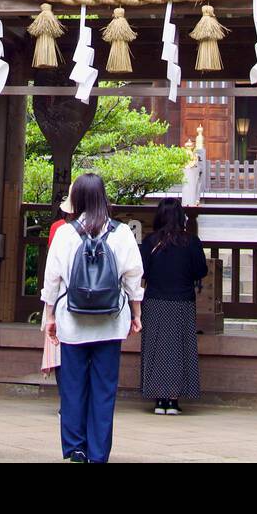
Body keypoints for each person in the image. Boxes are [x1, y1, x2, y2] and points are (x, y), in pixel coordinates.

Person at [41, 173, 143, 463]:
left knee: (72, 389)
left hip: (72, 323)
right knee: (104, 391)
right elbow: (134, 278)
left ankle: (75, 449)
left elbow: (53, 280)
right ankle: (98, 454)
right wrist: (136, 314)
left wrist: (49, 316)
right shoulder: (121, 233)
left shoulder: (64, 233)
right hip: (110, 323)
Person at [139, 197, 208, 415]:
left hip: (155, 301)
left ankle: (159, 399)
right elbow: (201, 270)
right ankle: (174, 399)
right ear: (181, 217)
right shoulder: (191, 242)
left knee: (156, 348)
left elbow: (142, 271)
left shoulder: (150, 242)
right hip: (182, 302)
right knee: (179, 349)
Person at [40, 192, 74, 379]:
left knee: (60, 347)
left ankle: (66, 402)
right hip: (99, 304)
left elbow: (53, 269)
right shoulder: (110, 230)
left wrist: (49, 311)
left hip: (62, 296)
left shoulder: (58, 228)